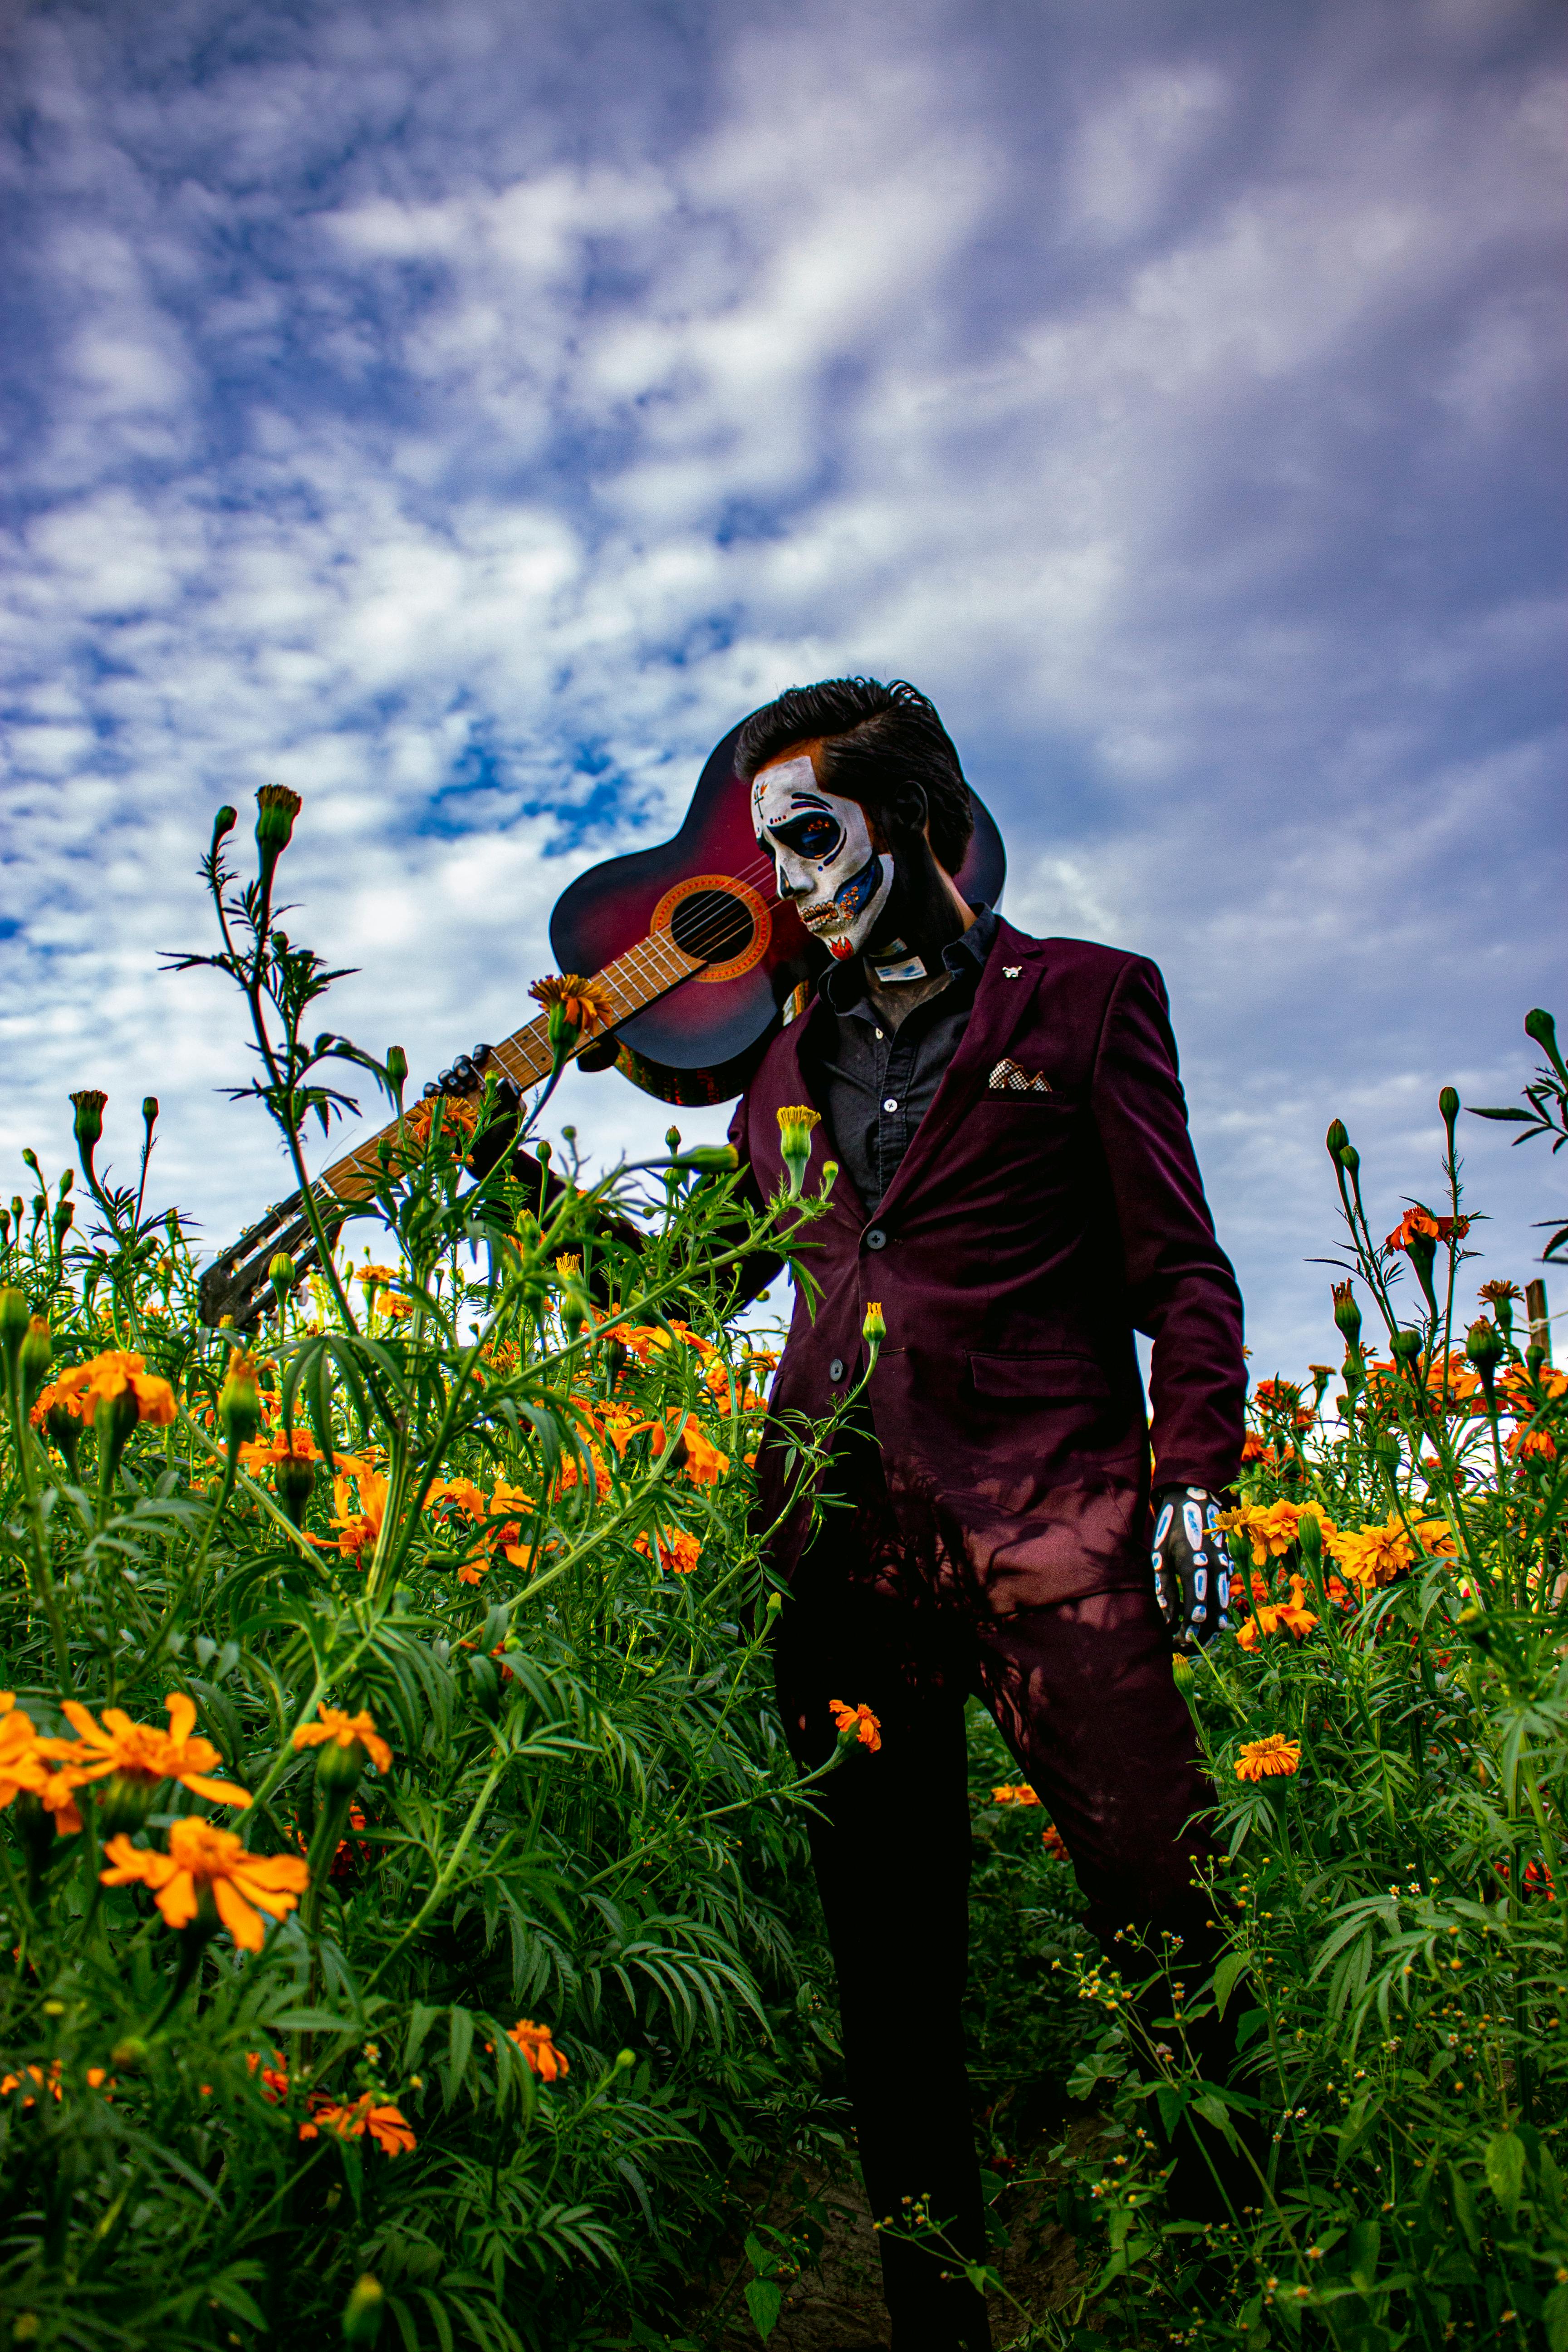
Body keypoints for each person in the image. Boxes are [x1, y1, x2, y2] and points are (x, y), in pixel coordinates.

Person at [721, 677, 1248, 2352]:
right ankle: (934, 2313)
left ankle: (1227, 2269)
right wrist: (495, 1155)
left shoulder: (1089, 1001)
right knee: (888, 1960)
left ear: (923, 817)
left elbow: (1181, 1264)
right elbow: (715, 1284)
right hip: (841, 1551)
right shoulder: (772, 1068)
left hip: (1062, 1535)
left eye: (813, 836)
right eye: (769, 849)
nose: (790, 881)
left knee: (1163, 1905)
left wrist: (1201, 1478)